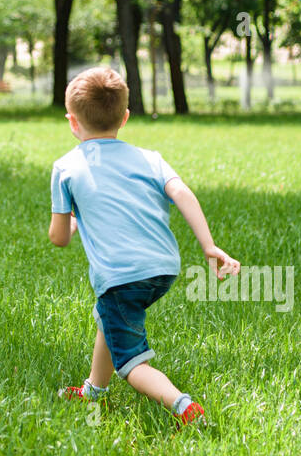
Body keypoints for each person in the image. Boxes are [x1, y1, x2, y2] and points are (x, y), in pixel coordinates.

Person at [48, 67, 240, 424]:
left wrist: (74, 221)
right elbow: (181, 192)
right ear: (124, 117)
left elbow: (58, 238)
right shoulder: (150, 158)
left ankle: (184, 407)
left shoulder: (66, 168)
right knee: (108, 316)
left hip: (121, 276)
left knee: (133, 364)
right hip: (163, 268)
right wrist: (209, 246)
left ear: (72, 122)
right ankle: (93, 392)